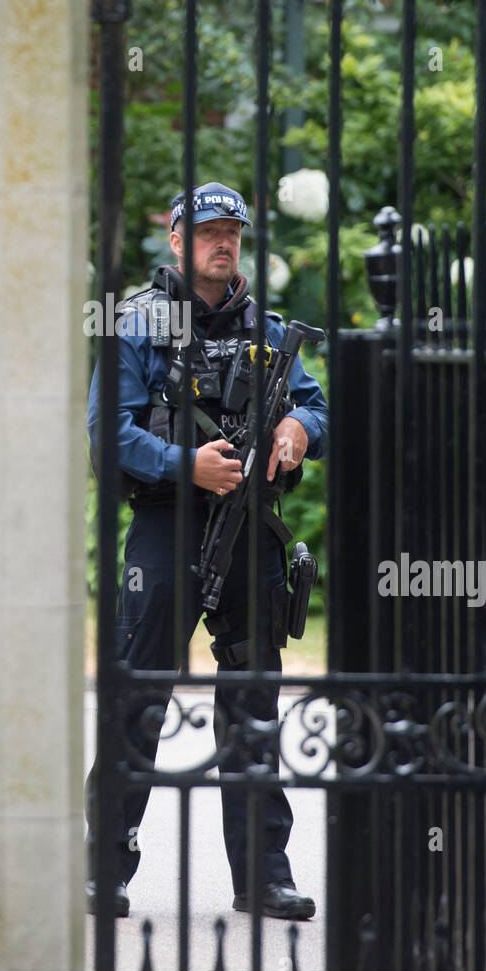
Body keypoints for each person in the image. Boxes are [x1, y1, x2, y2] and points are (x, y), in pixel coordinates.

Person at [85, 181, 329, 921]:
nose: (221, 243)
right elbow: (106, 433)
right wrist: (181, 465)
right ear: (176, 237)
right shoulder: (136, 323)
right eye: (207, 231)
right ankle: (106, 869)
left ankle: (263, 875)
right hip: (165, 524)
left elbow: (317, 403)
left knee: (251, 698)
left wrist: (300, 433)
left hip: (252, 524)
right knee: (141, 694)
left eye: (232, 231)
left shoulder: (271, 327)